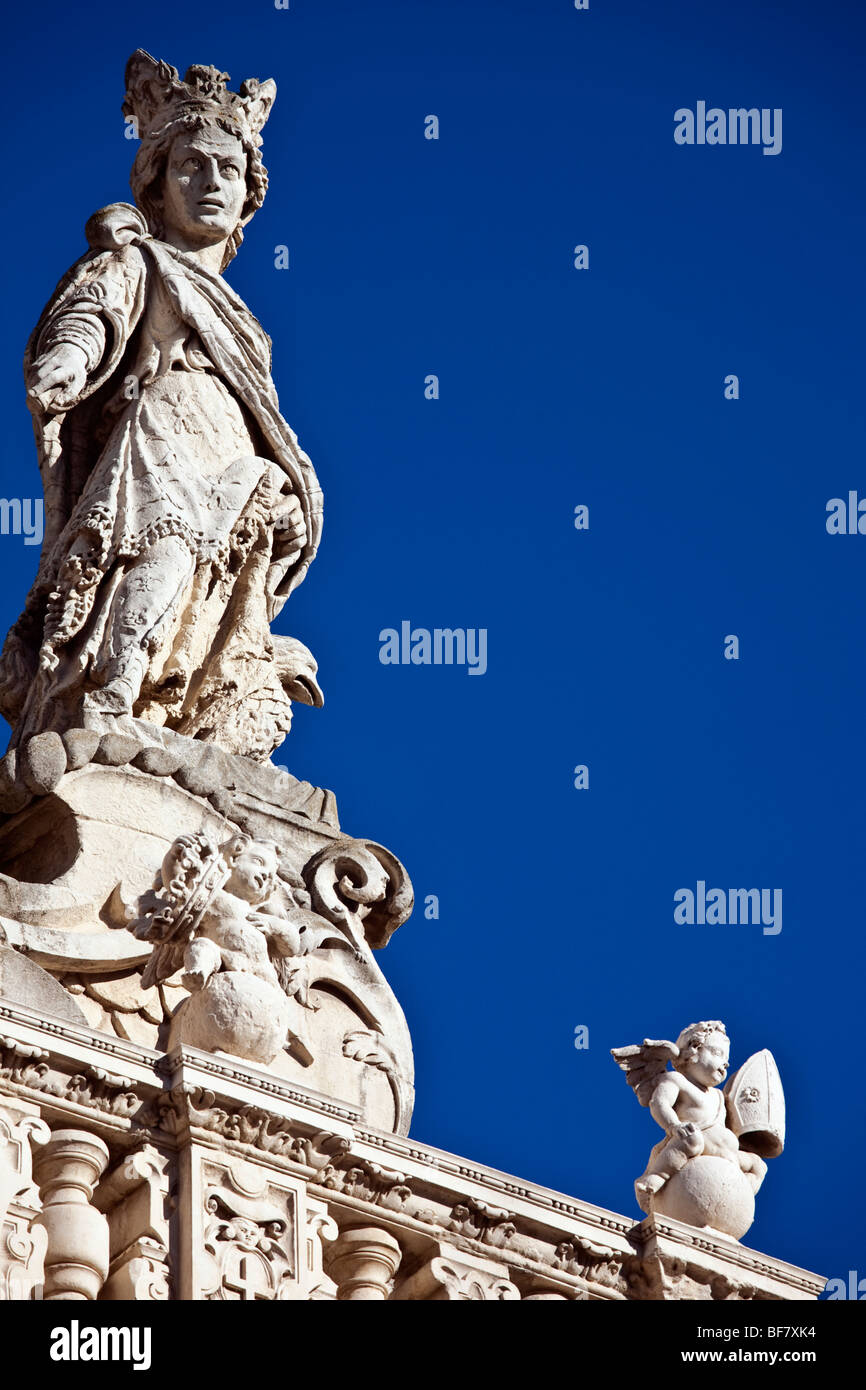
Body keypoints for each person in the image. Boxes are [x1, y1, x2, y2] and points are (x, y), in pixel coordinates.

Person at [0, 51, 323, 761]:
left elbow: (260, 417)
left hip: (232, 459)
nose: (210, 183)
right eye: (190, 165)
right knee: (161, 553)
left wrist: (285, 489)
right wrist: (68, 359)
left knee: (216, 595)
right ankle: (112, 698)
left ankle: (180, 718)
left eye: (228, 170)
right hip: (158, 429)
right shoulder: (138, 259)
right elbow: (95, 311)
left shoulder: (249, 325)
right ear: (156, 180)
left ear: (249, 193)